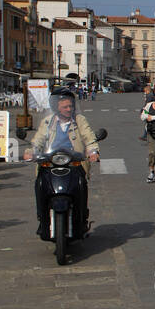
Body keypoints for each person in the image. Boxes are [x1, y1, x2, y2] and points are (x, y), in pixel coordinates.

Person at [23, 88, 100, 240]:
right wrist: (31, 151)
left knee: (81, 185)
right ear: (56, 107)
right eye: (65, 107)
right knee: (40, 184)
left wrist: (93, 151)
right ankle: (42, 217)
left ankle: (82, 217)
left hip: (74, 162)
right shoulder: (48, 121)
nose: (68, 109)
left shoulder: (79, 120)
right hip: (50, 161)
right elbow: (38, 139)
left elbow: (89, 137)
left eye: (70, 106)